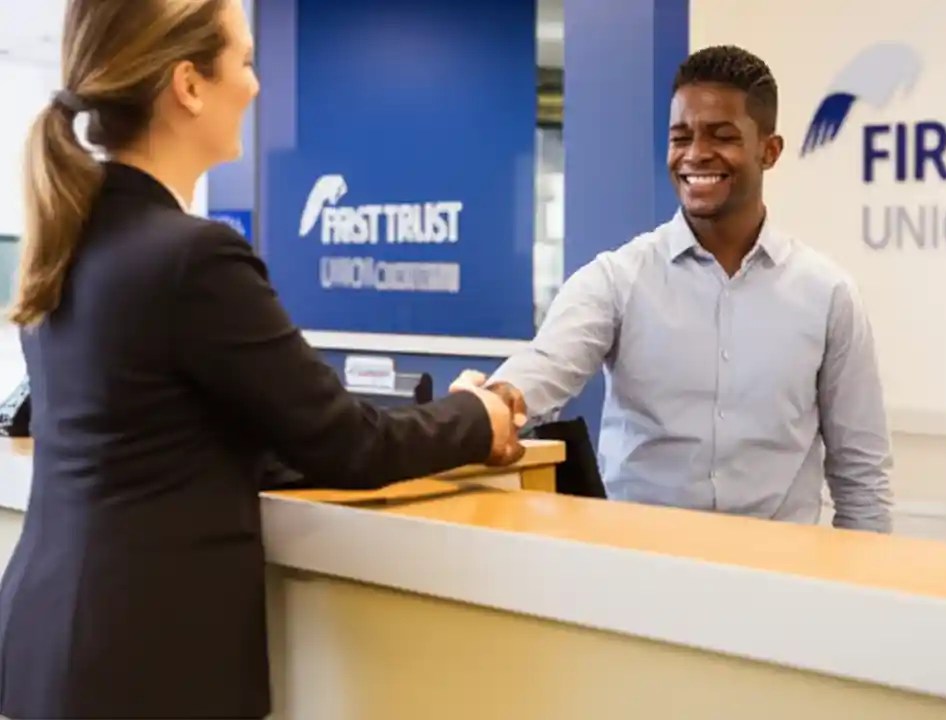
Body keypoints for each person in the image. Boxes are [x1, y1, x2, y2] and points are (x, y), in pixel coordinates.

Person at [0, 1, 524, 718]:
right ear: (188, 85)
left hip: (48, 641)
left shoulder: (70, 244)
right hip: (145, 664)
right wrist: (478, 418)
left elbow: (213, 429)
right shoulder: (192, 257)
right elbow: (347, 445)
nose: (255, 85)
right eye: (244, 62)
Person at [454, 45, 894, 532]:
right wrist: (494, 401)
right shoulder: (618, 278)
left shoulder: (827, 293)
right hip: (638, 571)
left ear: (769, 151)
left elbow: (861, 473)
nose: (695, 154)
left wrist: (861, 593)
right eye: (680, 136)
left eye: (721, 136)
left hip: (777, 577)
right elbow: (546, 366)